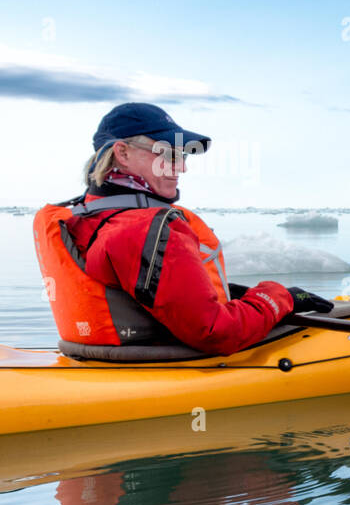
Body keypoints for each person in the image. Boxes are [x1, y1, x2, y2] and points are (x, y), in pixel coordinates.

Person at [34, 103, 334, 356]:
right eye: (169, 154)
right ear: (122, 154)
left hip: (98, 356)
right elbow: (215, 332)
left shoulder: (81, 218)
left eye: (183, 156)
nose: (181, 168)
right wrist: (280, 297)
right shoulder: (143, 230)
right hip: (164, 363)